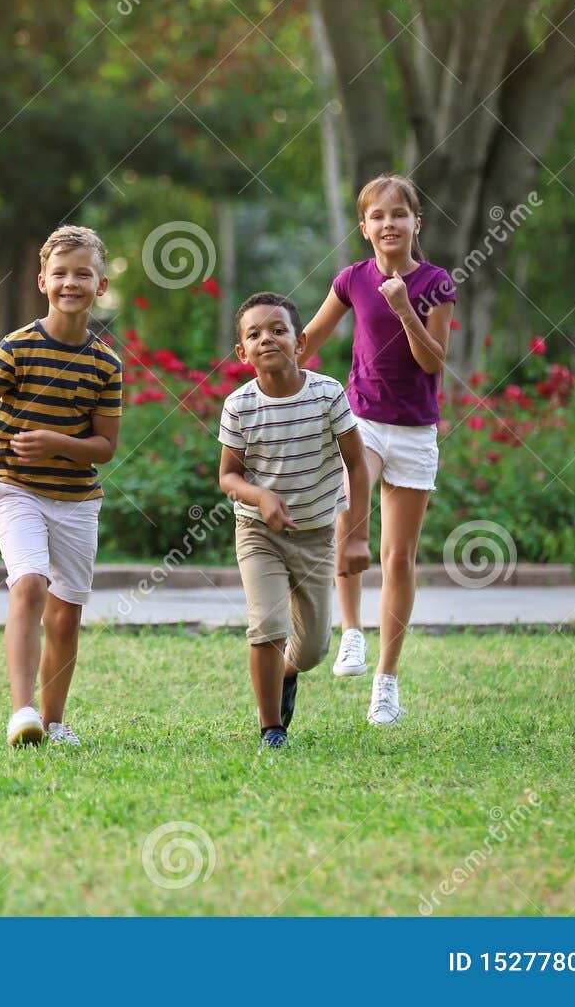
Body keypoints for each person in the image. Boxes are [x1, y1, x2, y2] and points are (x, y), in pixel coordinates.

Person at [0, 226, 123, 747]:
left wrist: (56, 442)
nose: (71, 283)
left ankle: (53, 720)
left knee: (66, 614)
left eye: (83, 274)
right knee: (28, 584)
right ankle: (21, 711)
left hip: (76, 500)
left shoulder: (105, 364)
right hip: (17, 488)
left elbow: (104, 447)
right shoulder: (18, 347)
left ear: (100, 284)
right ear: (43, 280)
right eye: (61, 274)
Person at [301, 174, 456, 724]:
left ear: (417, 223)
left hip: (414, 430)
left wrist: (404, 309)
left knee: (397, 557)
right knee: (348, 528)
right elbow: (311, 340)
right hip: (361, 420)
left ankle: (386, 682)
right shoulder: (351, 279)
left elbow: (433, 362)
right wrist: (264, 349)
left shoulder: (437, 283)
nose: (389, 224)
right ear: (364, 228)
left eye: (399, 214)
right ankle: (350, 633)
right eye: (377, 216)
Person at [218, 292, 370, 749]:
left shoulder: (327, 395)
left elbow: (358, 466)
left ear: (300, 341)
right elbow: (228, 475)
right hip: (258, 532)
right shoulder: (239, 406)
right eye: (254, 333)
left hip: (317, 534)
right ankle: (271, 729)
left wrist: (356, 537)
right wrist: (259, 495)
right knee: (267, 625)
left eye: (278, 330)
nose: (267, 338)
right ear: (242, 353)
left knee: (311, 649)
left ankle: (285, 674)